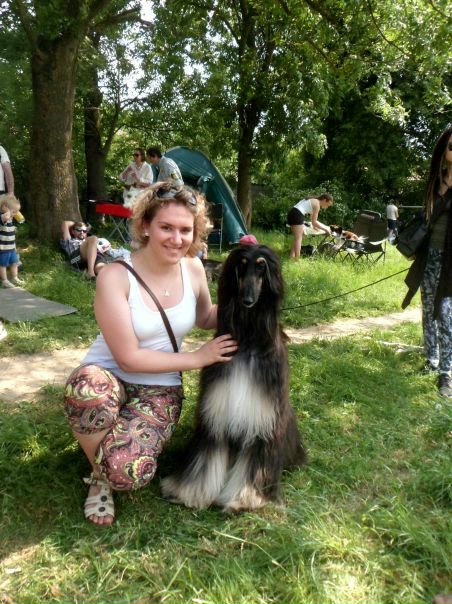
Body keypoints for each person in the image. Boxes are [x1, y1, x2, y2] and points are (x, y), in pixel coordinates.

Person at [63, 182, 238, 525]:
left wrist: (253, 303)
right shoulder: (115, 276)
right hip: (108, 376)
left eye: (186, 230)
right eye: (166, 227)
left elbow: (205, 317)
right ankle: (98, 478)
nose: (177, 239)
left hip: (160, 388)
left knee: (128, 473)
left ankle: (110, 460)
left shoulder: (193, 268)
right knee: (86, 388)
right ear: (145, 225)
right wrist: (198, 358)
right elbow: (128, 358)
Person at [402, 124, 452, 398]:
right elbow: (428, 217)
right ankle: (431, 359)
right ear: (444, 151)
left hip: (450, 262)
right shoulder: (436, 181)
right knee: (427, 309)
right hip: (429, 257)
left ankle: (446, 372)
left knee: (445, 312)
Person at [287, 193, 333, 258]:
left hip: (292, 213)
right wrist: (325, 230)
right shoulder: (317, 205)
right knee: (299, 238)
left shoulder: (313, 200)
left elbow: (312, 219)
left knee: (298, 237)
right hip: (297, 214)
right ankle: (297, 260)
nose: (327, 207)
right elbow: (314, 222)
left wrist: (314, 227)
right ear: (325, 200)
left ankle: (291, 257)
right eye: (327, 205)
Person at [0, 194, 24, 288]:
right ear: (5, 207)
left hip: (11, 248)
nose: (16, 214)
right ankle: (4, 280)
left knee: (14, 263)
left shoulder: (10, 219)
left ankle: (15, 277)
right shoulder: (3, 217)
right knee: (3, 264)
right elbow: (5, 217)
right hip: (3, 248)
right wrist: (8, 211)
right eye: (14, 212)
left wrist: (14, 211)